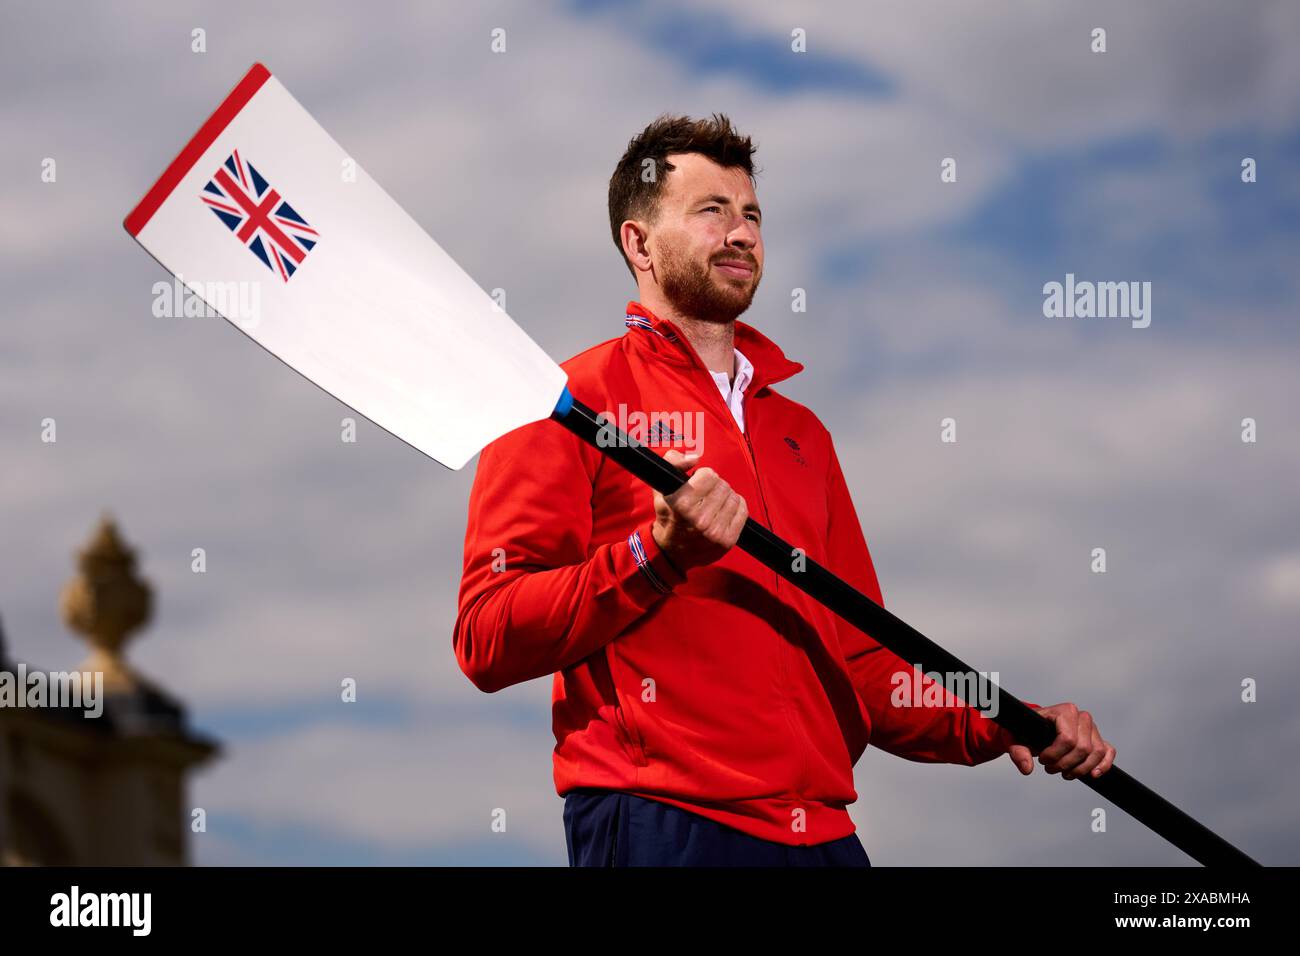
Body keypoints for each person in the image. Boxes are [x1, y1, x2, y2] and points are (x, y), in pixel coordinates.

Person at [453, 113, 1116, 866]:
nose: (741, 233)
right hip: (662, 818)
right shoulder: (567, 400)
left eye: (752, 215)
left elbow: (864, 660)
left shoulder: (802, 432)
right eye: (711, 211)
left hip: (822, 837)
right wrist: (656, 556)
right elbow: (487, 634)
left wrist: (1004, 721)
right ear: (638, 242)